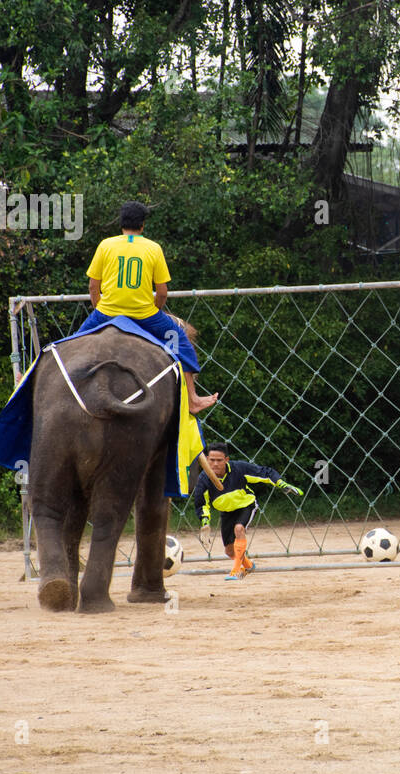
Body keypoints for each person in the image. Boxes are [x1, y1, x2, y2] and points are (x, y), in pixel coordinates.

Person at [77, 201, 218, 412]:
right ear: (142, 225)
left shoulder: (105, 245)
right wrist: (155, 311)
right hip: (143, 314)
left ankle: (31, 378)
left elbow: (93, 286)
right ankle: (193, 399)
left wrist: (101, 309)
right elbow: (162, 292)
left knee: (70, 343)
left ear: (121, 223)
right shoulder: (153, 248)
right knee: (180, 340)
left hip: (107, 313)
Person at [192, 443, 303, 579]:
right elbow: (201, 503)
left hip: (246, 505)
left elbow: (265, 473)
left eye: (219, 460)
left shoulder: (238, 468)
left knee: (239, 529)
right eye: (212, 460)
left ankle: (236, 571)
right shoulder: (204, 479)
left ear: (226, 459)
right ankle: (249, 566)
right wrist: (205, 522)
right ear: (206, 459)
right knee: (229, 551)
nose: (215, 464)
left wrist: (282, 484)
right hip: (226, 512)